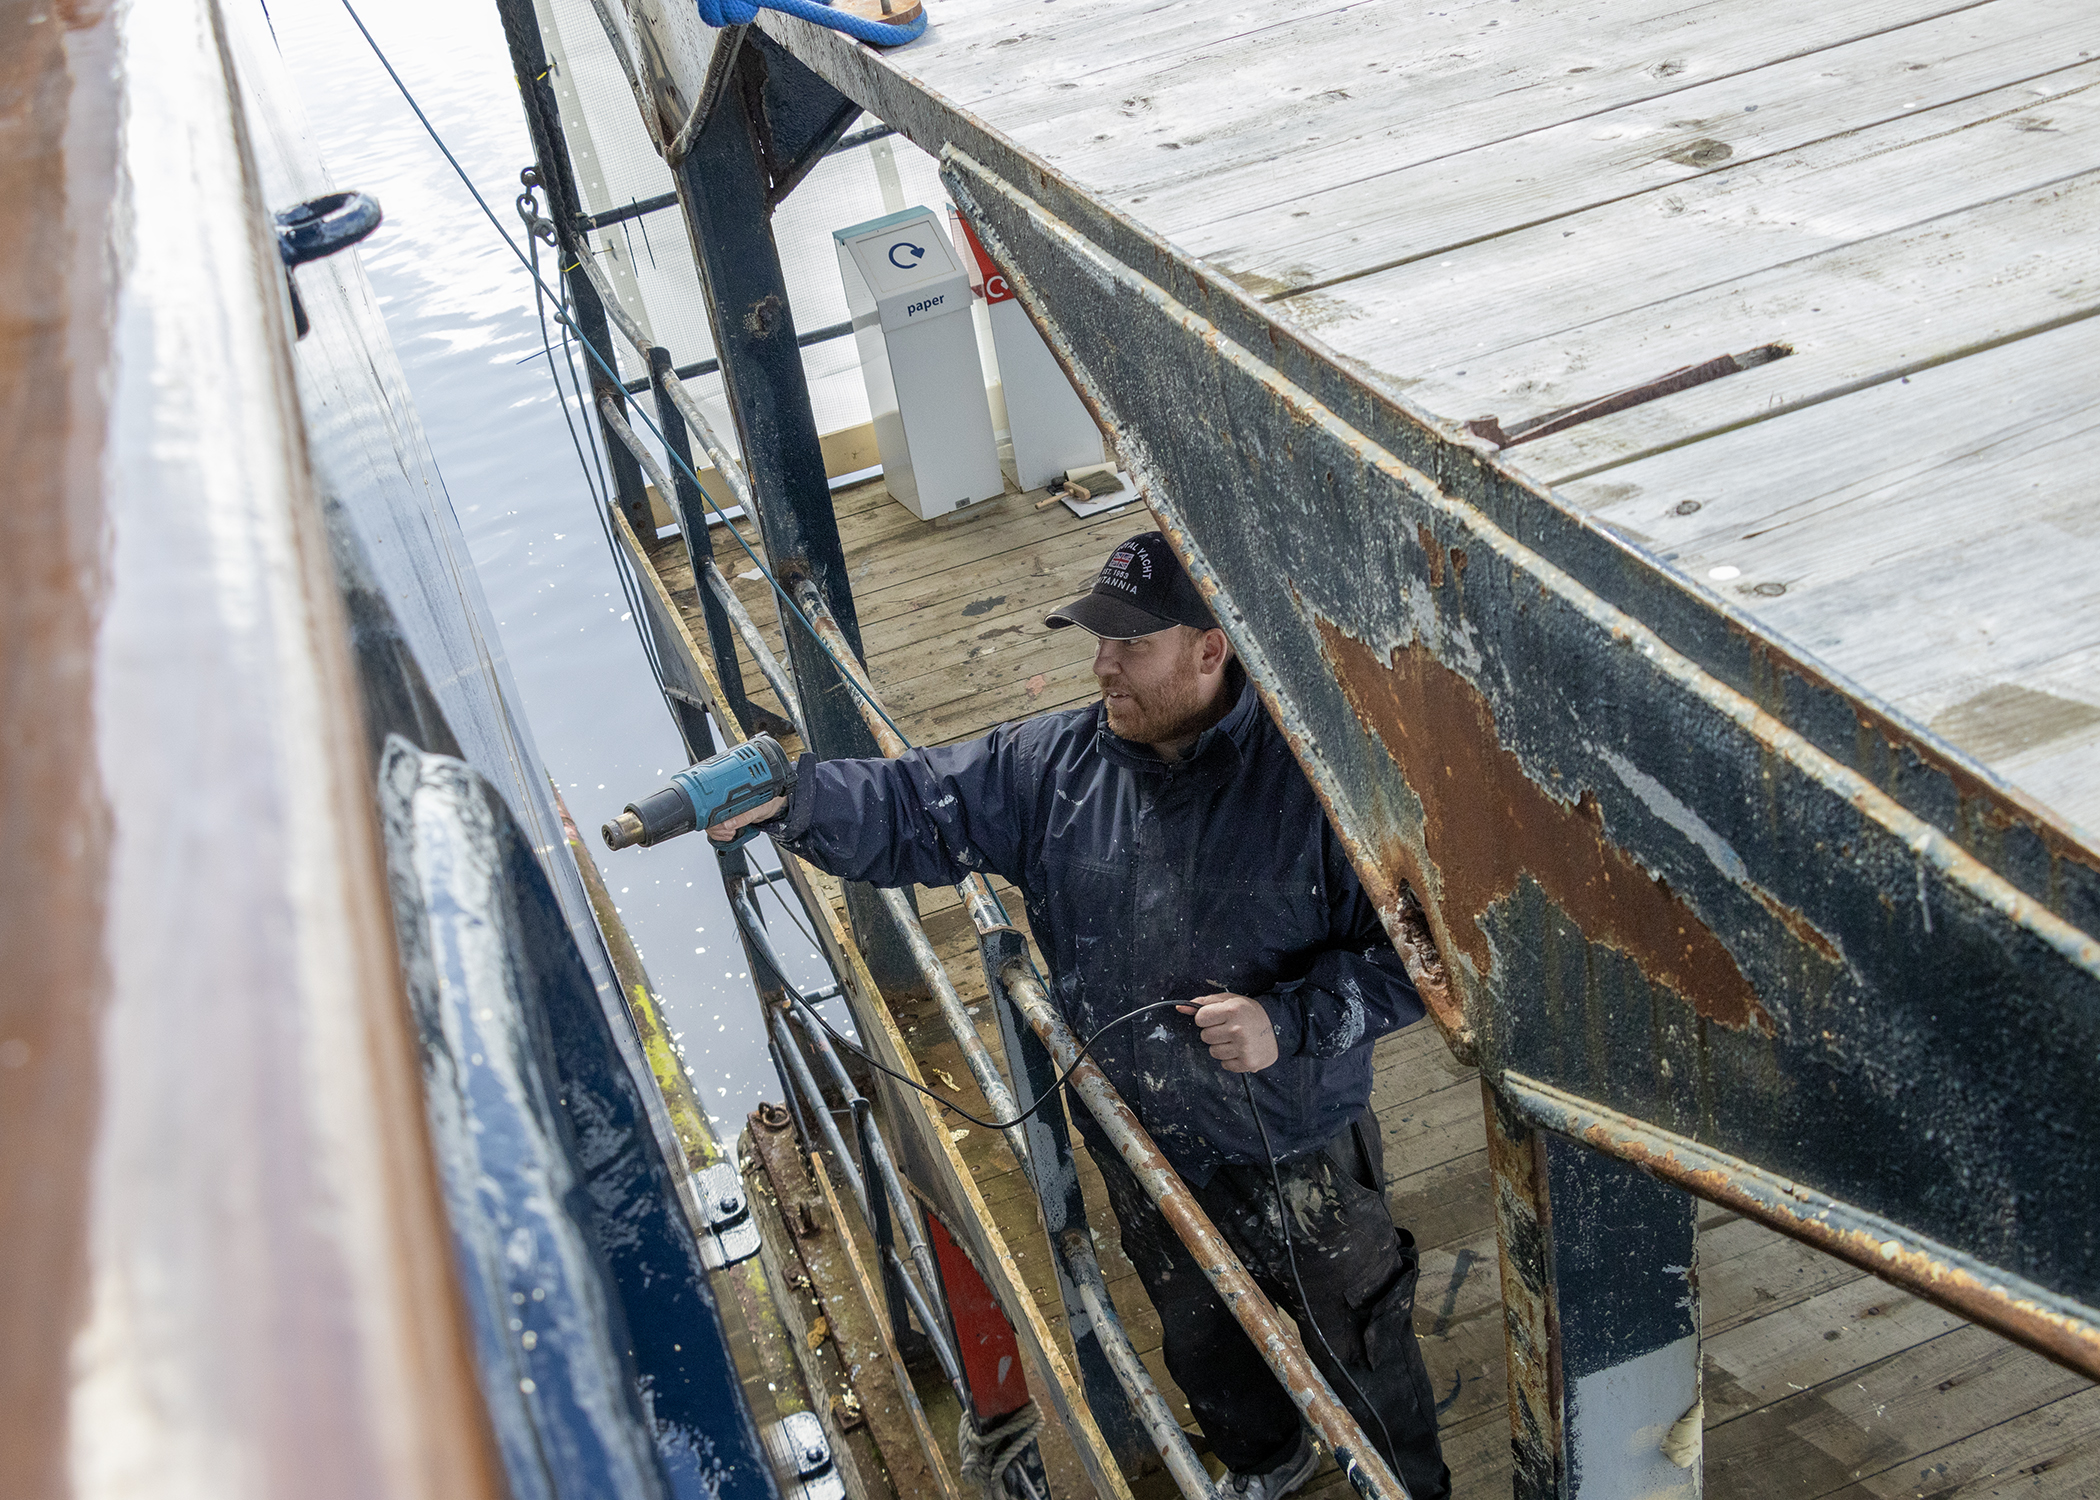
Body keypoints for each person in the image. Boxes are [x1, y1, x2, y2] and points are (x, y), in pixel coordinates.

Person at [715, 532, 1450, 1500]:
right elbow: (916, 807)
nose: (1101, 663)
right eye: (1096, 639)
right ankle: (1272, 1459)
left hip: (1300, 1144)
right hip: (1142, 1144)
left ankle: (1404, 1489)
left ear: (1210, 650)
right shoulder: (1050, 768)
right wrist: (797, 799)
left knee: (1362, 1344)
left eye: (1130, 645)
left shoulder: (1316, 784)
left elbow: (1425, 959)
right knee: (1199, 1336)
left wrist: (1291, 1020)